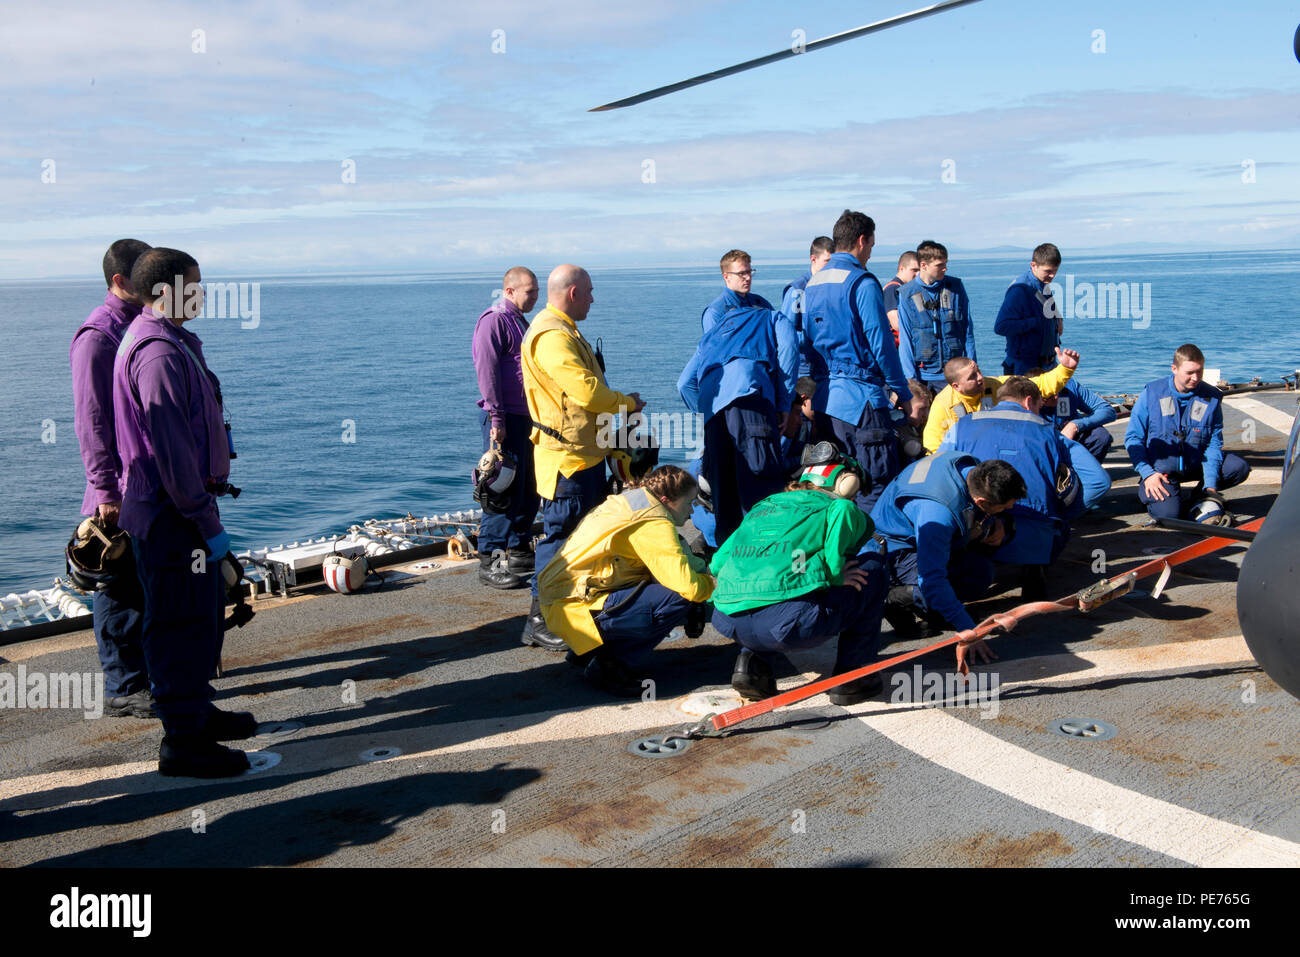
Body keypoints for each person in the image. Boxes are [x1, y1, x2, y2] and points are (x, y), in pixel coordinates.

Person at [113, 247, 256, 777]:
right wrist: (208, 526)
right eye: (195, 286)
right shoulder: (159, 355)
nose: (203, 295)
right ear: (167, 290)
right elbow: (173, 459)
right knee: (178, 622)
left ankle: (196, 710)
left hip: (178, 512)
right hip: (174, 516)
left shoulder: (170, 341)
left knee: (197, 618)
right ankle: (183, 743)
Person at [521, 264, 645, 650]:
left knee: (578, 538)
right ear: (573, 293)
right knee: (559, 538)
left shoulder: (564, 331)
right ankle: (539, 618)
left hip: (583, 457)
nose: (593, 299)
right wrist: (627, 405)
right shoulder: (553, 336)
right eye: (589, 292)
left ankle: (567, 610)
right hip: (568, 461)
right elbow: (587, 392)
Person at [711, 447, 888, 706]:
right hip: (787, 626)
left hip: (727, 620)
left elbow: (717, 563)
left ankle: (752, 666)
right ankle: (853, 677)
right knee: (873, 567)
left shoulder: (764, 506)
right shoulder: (840, 508)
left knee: (771, 579)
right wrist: (834, 576)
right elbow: (837, 562)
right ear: (847, 483)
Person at [539, 465, 714, 696]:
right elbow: (688, 587)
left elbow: (677, 554)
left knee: (668, 581)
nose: (692, 512)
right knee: (678, 597)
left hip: (563, 594)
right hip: (574, 602)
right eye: (689, 503)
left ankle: (588, 651)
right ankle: (609, 665)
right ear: (666, 499)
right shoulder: (653, 524)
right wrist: (712, 586)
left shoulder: (634, 501)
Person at [70, 238, 154, 718]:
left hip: (148, 481)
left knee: (146, 583)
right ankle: (124, 687)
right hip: (122, 489)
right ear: (121, 281)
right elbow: (92, 419)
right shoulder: (99, 336)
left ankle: (154, 672)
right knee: (119, 587)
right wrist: (105, 489)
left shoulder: (140, 326)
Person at [941, 377, 1110, 598]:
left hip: (981, 527)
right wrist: (1063, 514)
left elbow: (942, 470)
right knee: (1059, 528)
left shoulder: (963, 425)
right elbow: (1099, 481)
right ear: (1030, 402)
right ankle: (1035, 567)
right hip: (1035, 531)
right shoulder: (1048, 431)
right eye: (1040, 407)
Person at [869, 453, 1026, 672]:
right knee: (939, 588)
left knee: (979, 574)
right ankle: (894, 597)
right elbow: (932, 579)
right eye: (1005, 507)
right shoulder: (937, 514)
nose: (1009, 509)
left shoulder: (970, 468)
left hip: (918, 536)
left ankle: (938, 609)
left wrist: (998, 520)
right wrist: (969, 630)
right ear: (982, 502)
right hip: (893, 553)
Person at [803, 209, 913, 514]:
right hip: (861, 402)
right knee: (874, 486)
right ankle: (875, 558)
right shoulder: (862, 282)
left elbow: (807, 345)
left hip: (825, 401)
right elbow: (881, 344)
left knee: (833, 487)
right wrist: (902, 393)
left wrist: (809, 391)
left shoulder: (813, 285)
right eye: (872, 247)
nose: (869, 254)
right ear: (862, 240)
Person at [677, 298, 799, 543]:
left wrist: (708, 414)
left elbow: (684, 384)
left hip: (714, 415)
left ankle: (729, 573)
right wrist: (783, 404)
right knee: (761, 496)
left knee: (725, 502)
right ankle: (766, 569)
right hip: (751, 403)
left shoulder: (711, 336)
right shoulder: (771, 318)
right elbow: (789, 352)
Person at [472, 267, 541, 589]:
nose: (535, 296)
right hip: (505, 419)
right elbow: (487, 372)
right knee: (501, 490)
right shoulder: (495, 320)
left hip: (525, 417)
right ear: (510, 291)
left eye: (537, 290)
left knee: (528, 487)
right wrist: (496, 419)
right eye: (529, 291)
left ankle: (518, 549)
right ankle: (490, 558)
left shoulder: (518, 320)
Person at [1125, 344, 1251, 522]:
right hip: (1161, 471)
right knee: (1168, 515)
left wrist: (1210, 487)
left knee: (1238, 467)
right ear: (1174, 369)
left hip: (1195, 463)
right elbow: (1133, 438)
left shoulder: (1212, 397)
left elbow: (1213, 444)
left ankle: (1201, 497)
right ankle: (1151, 492)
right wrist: (1148, 473)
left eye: (1200, 372)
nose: (1196, 378)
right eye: (1190, 372)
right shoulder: (1152, 393)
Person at [923, 348, 1080, 453]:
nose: (980, 378)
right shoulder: (943, 404)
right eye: (972, 377)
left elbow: (1039, 385)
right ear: (956, 386)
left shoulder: (995, 385)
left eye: (978, 371)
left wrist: (1065, 368)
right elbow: (932, 447)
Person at [896, 241, 976, 392]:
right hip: (924, 376)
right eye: (939, 265)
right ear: (924, 265)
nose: (945, 268)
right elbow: (905, 339)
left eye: (946, 264)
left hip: (954, 374)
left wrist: (972, 367)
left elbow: (967, 331)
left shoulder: (956, 288)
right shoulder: (907, 294)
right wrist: (911, 380)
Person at [994, 242, 1062, 374]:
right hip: (1024, 367)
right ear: (1033, 265)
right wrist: (1035, 322)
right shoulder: (1019, 290)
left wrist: (1058, 318)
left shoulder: (1043, 283)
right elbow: (1001, 327)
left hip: (1047, 364)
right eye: (1048, 271)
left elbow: (1047, 305)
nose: (1052, 276)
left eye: (1055, 271)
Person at [1029, 370, 1118, 462]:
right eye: (1049, 396)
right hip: (1041, 441)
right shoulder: (1021, 401)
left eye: (1057, 391)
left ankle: (1084, 472)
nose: (1056, 397)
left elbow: (1107, 411)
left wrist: (1075, 424)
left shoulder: (1070, 387)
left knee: (1100, 436)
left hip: (1069, 435)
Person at [780, 236, 834, 376]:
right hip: (804, 370)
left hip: (829, 366)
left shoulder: (833, 287)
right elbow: (785, 334)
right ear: (813, 259)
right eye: (827, 261)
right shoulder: (797, 291)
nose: (831, 266)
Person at [702, 249, 774, 333]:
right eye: (741, 273)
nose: (748, 277)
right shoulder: (716, 312)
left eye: (749, 272)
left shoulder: (761, 303)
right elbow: (712, 345)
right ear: (726, 277)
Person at [881, 251, 920, 349]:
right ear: (901, 268)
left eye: (920, 270)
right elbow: (896, 324)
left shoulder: (909, 289)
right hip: (896, 347)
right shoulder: (892, 289)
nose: (918, 274)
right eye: (914, 270)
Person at [896, 380, 932, 465]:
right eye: (921, 409)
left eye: (927, 408)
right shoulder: (897, 434)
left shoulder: (923, 426)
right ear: (902, 408)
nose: (926, 415)